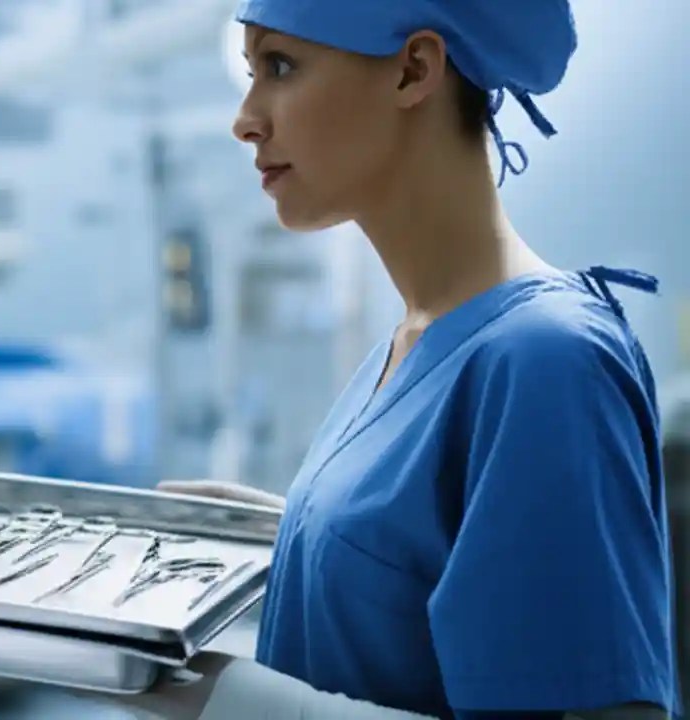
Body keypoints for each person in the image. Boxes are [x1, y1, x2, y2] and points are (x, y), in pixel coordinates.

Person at [83, 0, 682, 718]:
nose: (245, 118)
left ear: (414, 70)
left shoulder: (548, 362)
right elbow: (439, 600)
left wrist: (234, 701)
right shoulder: (408, 346)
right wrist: (300, 538)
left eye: (279, 66)